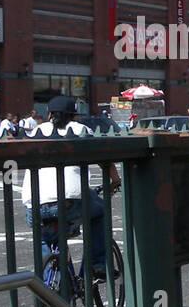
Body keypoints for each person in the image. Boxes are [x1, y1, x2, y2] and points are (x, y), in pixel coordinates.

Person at [21, 96, 120, 275]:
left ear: (49, 114)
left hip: (33, 202)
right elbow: (104, 160)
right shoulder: (80, 129)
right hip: (70, 199)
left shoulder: (36, 131)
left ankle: (50, 289)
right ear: (74, 116)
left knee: (45, 236)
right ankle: (96, 265)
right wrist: (115, 181)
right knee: (100, 212)